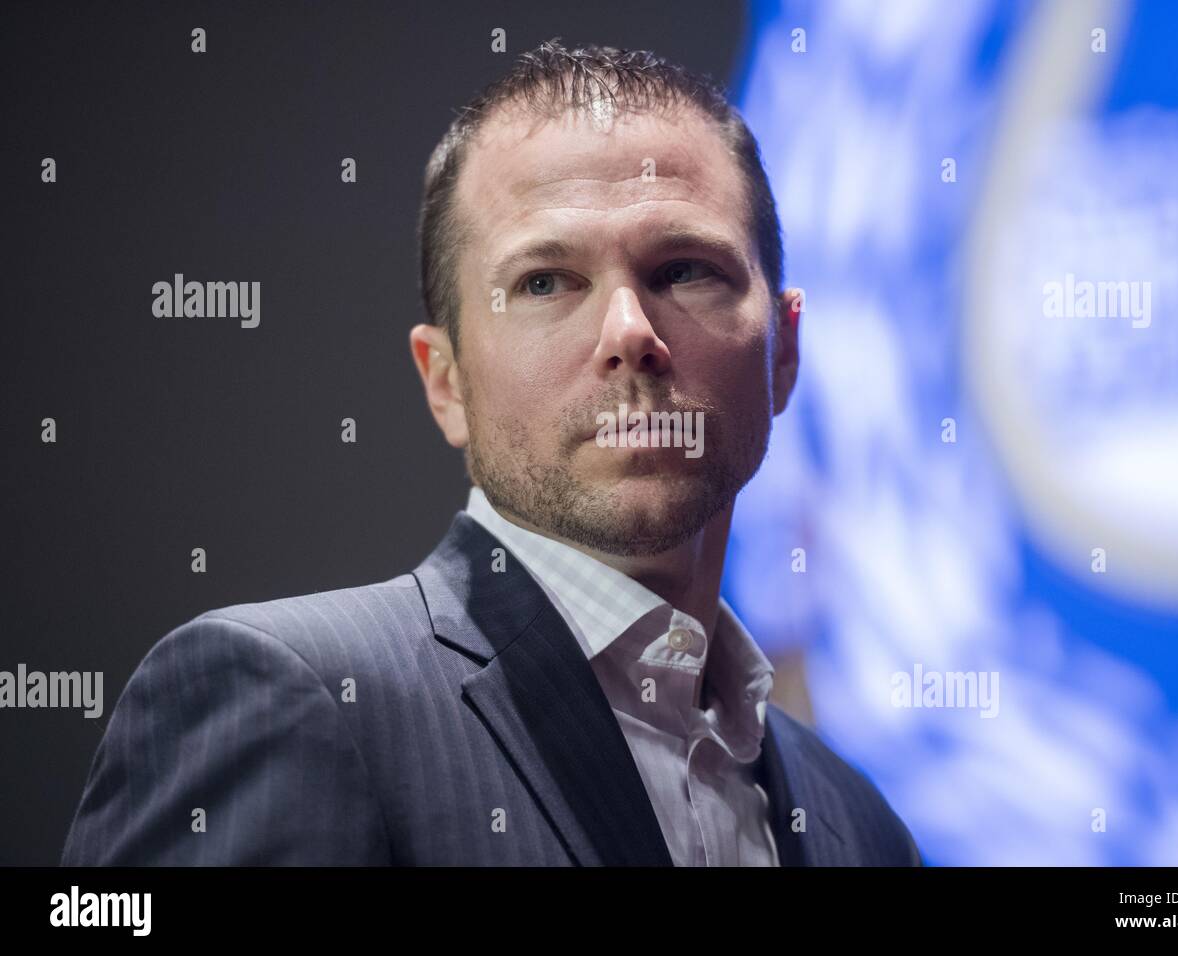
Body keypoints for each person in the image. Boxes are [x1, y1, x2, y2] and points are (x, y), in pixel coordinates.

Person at [60, 39, 921, 866]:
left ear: (782, 351)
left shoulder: (861, 825)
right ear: (446, 382)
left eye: (686, 269)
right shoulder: (284, 695)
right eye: (545, 282)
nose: (630, 333)